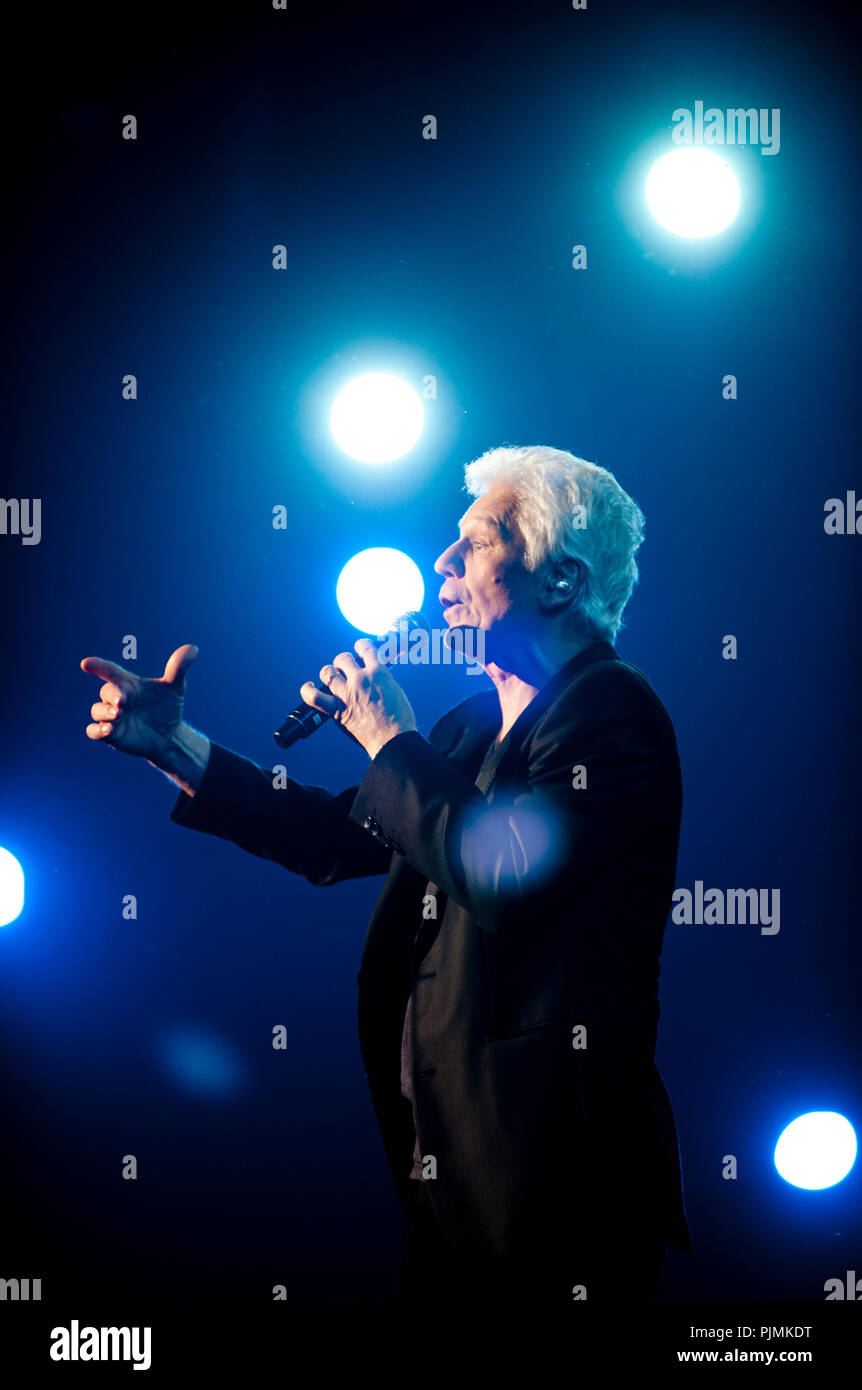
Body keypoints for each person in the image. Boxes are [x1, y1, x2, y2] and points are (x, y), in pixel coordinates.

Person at [81, 443, 692, 1305]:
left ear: (560, 579)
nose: (442, 561)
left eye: (478, 541)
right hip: (449, 1185)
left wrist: (387, 738)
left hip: (557, 1191)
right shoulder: (473, 725)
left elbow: (509, 877)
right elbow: (338, 836)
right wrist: (177, 747)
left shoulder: (612, 711)